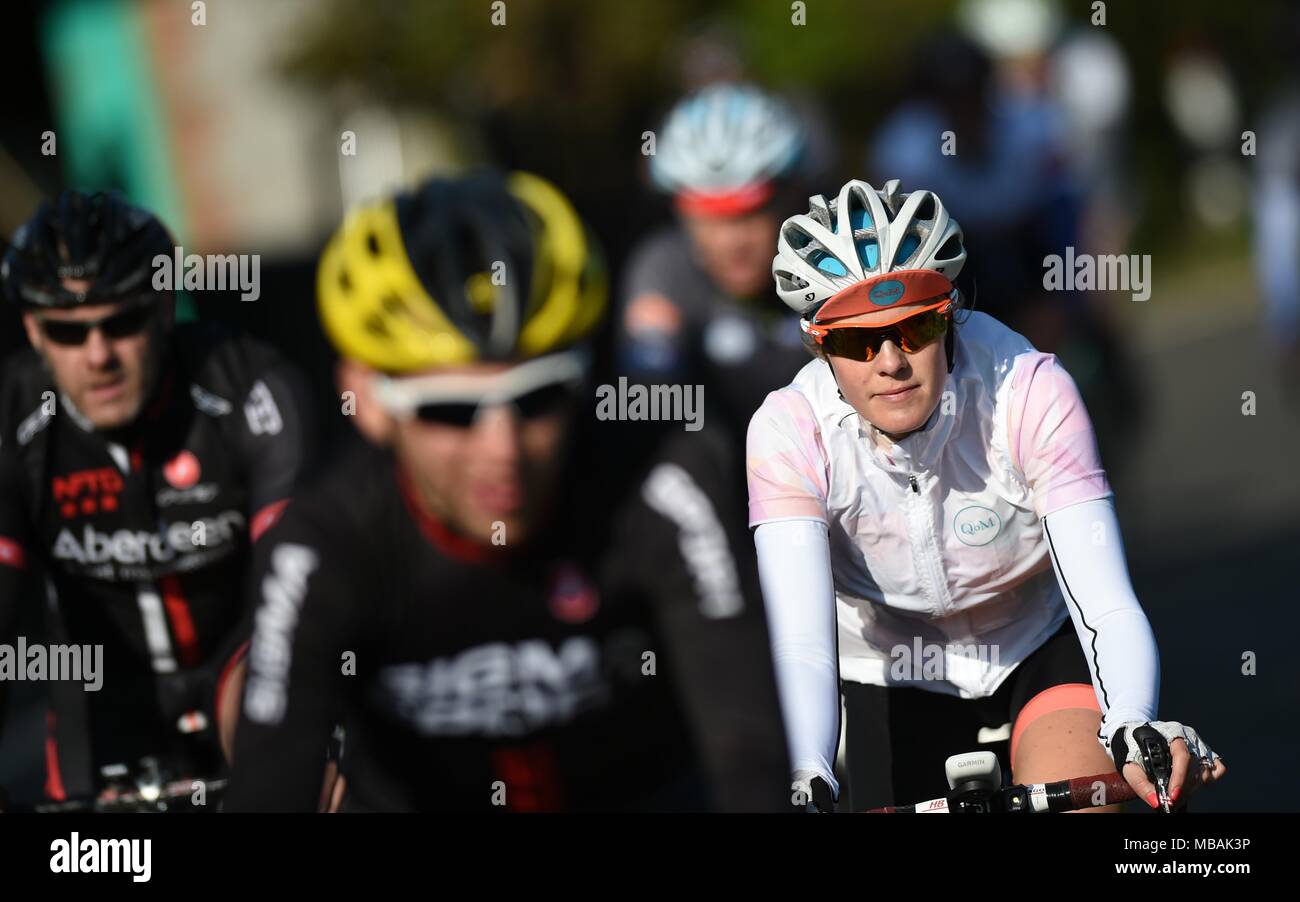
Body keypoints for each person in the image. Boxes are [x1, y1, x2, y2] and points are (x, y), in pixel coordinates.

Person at [224, 171, 790, 812]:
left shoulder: (661, 486)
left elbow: (751, 757)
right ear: (368, 398)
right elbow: (269, 786)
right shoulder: (326, 543)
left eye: (538, 397)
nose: (503, 448)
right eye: (450, 410)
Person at [749, 177, 1227, 810]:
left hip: (1032, 647)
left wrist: (1131, 720)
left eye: (914, 328)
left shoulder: (1029, 390)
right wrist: (812, 770)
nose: (890, 361)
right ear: (819, 344)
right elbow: (804, 640)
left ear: (950, 316)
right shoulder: (788, 430)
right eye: (856, 341)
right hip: (890, 671)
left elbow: (1106, 602)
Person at [0, 190, 314, 804]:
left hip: (246, 667)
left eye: (121, 323)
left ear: (164, 308)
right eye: (69, 333)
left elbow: (303, 594)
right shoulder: (13, 420)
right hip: (100, 699)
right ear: (34, 331)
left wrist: (299, 741)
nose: (99, 357)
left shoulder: (247, 388)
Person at [617, 82, 816, 454]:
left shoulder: (833, 261)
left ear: (791, 195)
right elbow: (646, 408)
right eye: (708, 219)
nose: (731, 243)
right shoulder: (663, 268)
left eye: (750, 213)